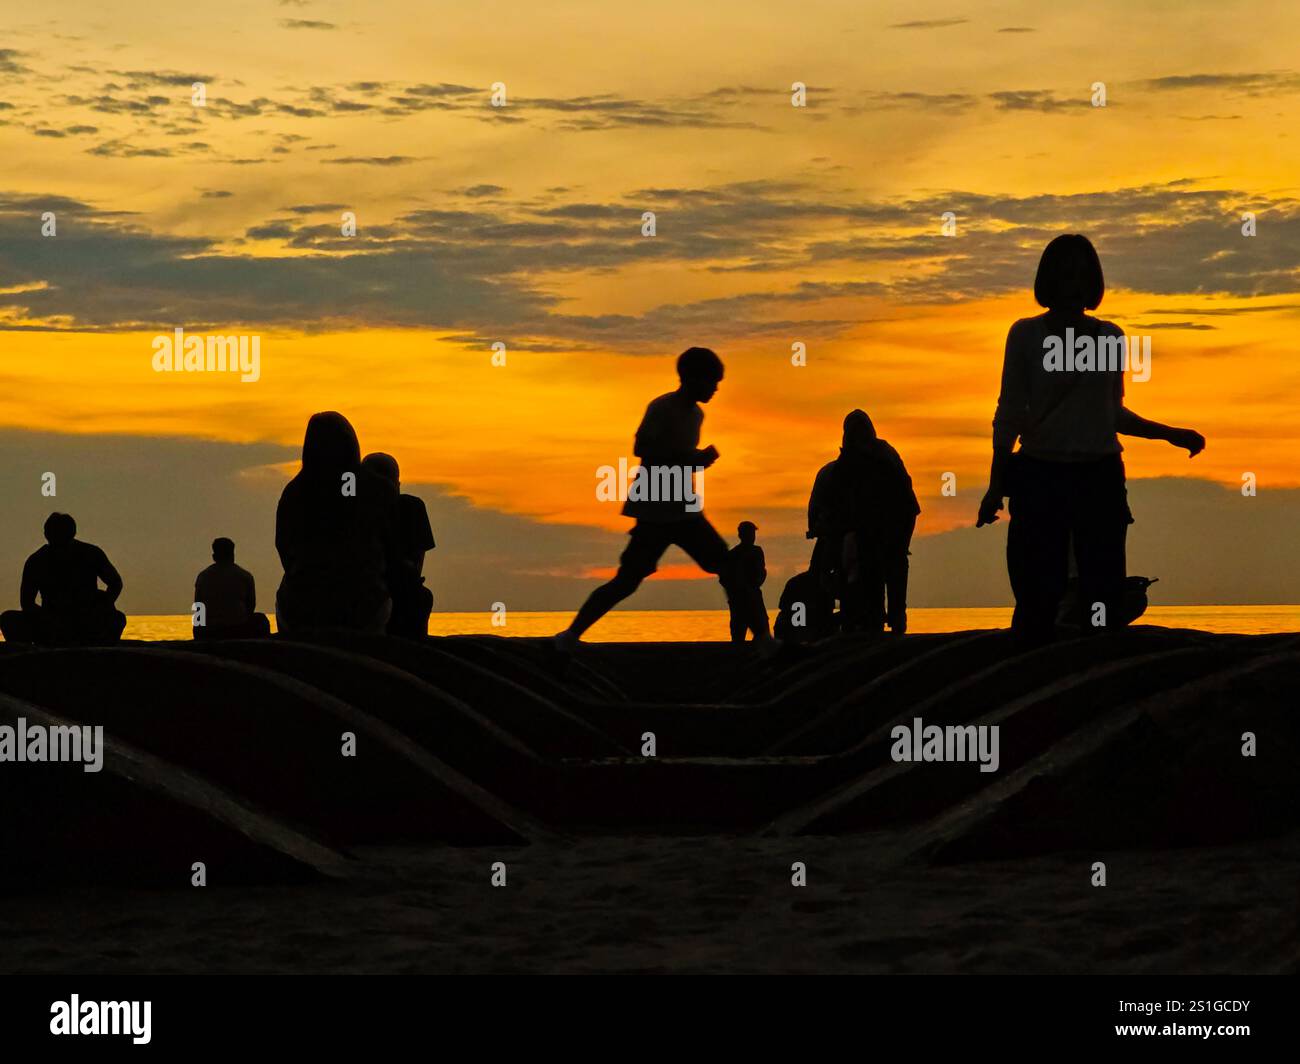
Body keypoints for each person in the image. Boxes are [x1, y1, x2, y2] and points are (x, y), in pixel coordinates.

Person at [976, 234, 1206, 645]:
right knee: (1036, 595)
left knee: (1102, 592)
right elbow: (1008, 414)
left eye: (1082, 274)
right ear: (1050, 280)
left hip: (1097, 476)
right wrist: (996, 484)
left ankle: (1097, 669)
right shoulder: (1025, 335)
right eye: (1066, 273)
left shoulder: (1109, 337)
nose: (1074, 283)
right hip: (1040, 475)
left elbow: (1112, 413)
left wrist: (1169, 434)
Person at [556, 347, 728, 650]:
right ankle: (570, 636)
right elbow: (643, 449)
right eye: (711, 381)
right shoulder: (661, 408)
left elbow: (676, 460)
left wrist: (694, 462)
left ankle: (761, 641)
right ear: (691, 378)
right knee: (628, 580)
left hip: (684, 508)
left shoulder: (698, 415)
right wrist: (692, 459)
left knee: (730, 566)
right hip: (655, 510)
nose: (715, 388)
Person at [274, 412, 401, 634]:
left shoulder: (294, 492)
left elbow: (283, 547)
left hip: (302, 606)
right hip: (364, 604)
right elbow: (394, 549)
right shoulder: (379, 489)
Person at [808, 410, 920, 634]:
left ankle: (893, 618)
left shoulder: (885, 459)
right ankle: (873, 621)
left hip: (890, 527)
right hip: (862, 533)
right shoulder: (840, 469)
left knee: (891, 568)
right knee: (871, 576)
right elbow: (825, 515)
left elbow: (907, 504)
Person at [0, 513, 127, 645]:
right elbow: (27, 603)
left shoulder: (91, 553)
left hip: (88, 620)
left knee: (117, 618)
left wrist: (102, 605)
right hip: (51, 623)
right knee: (8, 619)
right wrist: (50, 619)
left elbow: (115, 583)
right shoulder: (37, 560)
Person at [360, 452, 436, 638]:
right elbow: (417, 563)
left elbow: (417, 562)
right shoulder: (358, 511)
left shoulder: (410, 508)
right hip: (375, 592)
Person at [192, 538, 270, 640]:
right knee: (261, 619)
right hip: (238, 628)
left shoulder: (203, 576)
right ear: (232, 555)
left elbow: (198, 607)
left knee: (198, 623)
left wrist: (199, 631)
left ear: (214, 556)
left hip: (211, 630)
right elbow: (250, 606)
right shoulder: (244, 576)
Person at [723, 521, 770, 642]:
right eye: (749, 534)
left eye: (753, 534)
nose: (752, 537)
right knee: (740, 631)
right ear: (741, 535)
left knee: (761, 628)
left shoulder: (755, 551)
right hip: (740, 598)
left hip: (750, 595)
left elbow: (761, 572)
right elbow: (725, 578)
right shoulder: (734, 555)